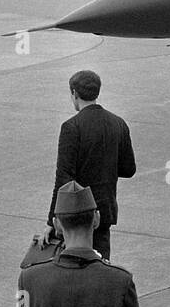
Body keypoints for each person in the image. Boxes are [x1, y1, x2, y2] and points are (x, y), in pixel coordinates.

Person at [47, 70, 136, 261]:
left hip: (75, 213)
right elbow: (129, 169)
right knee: (101, 266)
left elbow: (63, 178)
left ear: (74, 93)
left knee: (73, 267)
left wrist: (52, 220)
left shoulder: (71, 127)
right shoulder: (118, 123)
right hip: (103, 211)